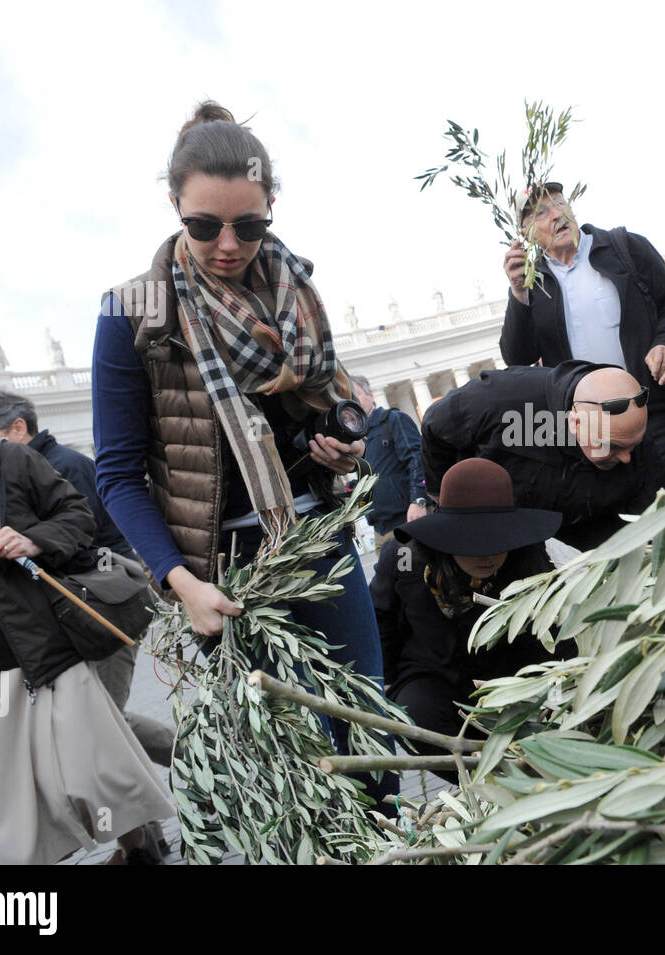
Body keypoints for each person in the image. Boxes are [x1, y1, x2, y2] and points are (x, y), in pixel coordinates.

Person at [91, 101, 392, 800]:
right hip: (218, 571)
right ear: (173, 205)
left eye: (250, 225)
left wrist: (339, 454)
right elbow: (118, 475)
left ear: (272, 209)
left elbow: (315, 417)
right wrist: (182, 583)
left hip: (314, 535)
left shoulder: (297, 295)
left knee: (366, 722)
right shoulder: (130, 312)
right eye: (203, 224)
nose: (228, 243)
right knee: (282, 753)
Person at [0, 360, 174, 864]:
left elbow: (76, 514)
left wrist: (33, 539)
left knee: (95, 777)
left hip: (36, 649)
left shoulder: (1, 457)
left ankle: (140, 847)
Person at [500, 183, 665, 496]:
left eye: (560, 203)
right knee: (630, 532)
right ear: (526, 233)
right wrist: (519, 294)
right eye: (542, 212)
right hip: (596, 437)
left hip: (656, 414)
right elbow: (517, 358)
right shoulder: (534, 286)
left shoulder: (625, 248)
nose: (557, 215)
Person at [372, 459, 564, 766]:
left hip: (511, 671)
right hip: (433, 673)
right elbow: (381, 619)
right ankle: (484, 781)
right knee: (412, 716)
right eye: (473, 544)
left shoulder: (529, 555)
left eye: (497, 542)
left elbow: (553, 621)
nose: (487, 555)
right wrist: (384, 678)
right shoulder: (404, 558)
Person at [419, 361, 655, 551]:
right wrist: (443, 495)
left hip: (589, 535)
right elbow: (434, 425)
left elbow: (643, 511)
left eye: (632, 446)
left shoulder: (632, 427)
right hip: (510, 534)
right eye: (611, 446)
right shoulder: (500, 400)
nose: (626, 458)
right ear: (576, 421)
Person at [349, 375, 427, 545]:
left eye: (357, 395)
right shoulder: (354, 439)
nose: (353, 402)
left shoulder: (393, 420)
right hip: (380, 530)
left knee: (417, 570)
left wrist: (418, 501)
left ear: (371, 395)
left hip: (408, 520)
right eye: (347, 398)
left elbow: (417, 460)